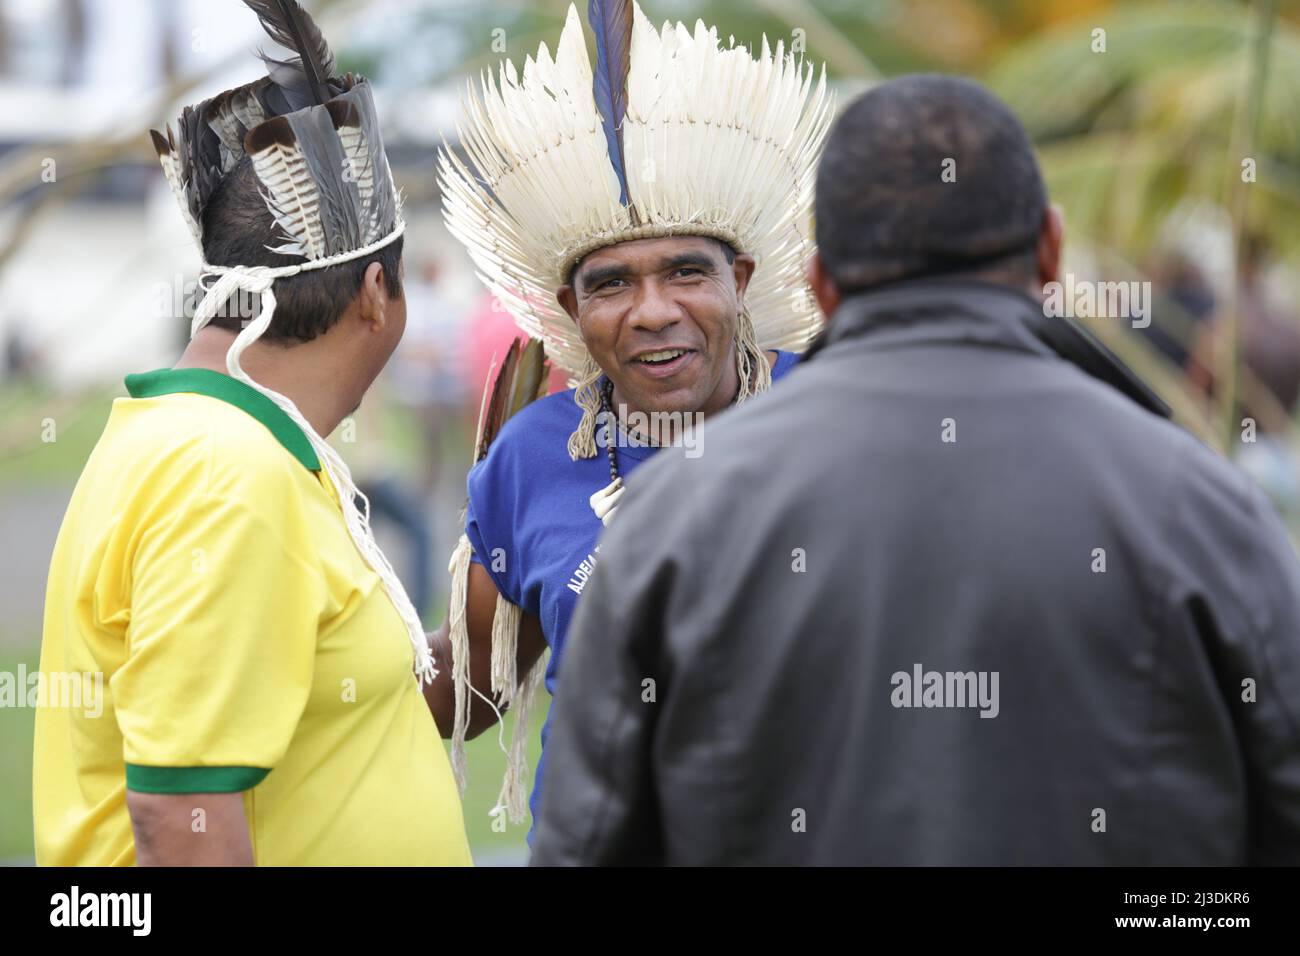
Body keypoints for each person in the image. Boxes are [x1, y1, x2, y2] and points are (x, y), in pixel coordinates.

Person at [531, 74, 1300, 865]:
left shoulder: (674, 515)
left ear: (820, 281)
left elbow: (586, 845)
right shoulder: (1197, 502)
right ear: (1050, 249)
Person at [33, 0, 470, 866]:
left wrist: (511, 618)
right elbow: (182, 820)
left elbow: (339, 707)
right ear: (377, 297)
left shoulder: (212, 439)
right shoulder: (226, 472)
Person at [420, 0, 834, 830]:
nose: (652, 312)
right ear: (570, 308)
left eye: (686, 272)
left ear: (740, 281)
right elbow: (468, 685)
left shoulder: (838, 421)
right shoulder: (535, 452)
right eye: (611, 284)